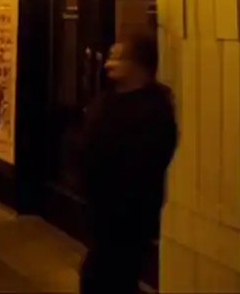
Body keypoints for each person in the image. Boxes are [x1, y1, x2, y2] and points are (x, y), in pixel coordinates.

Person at [79, 32, 179, 294]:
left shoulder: (153, 111)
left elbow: (143, 164)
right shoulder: (110, 98)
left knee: (111, 277)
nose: (108, 63)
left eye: (117, 57)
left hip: (126, 215)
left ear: (140, 66)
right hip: (101, 210)